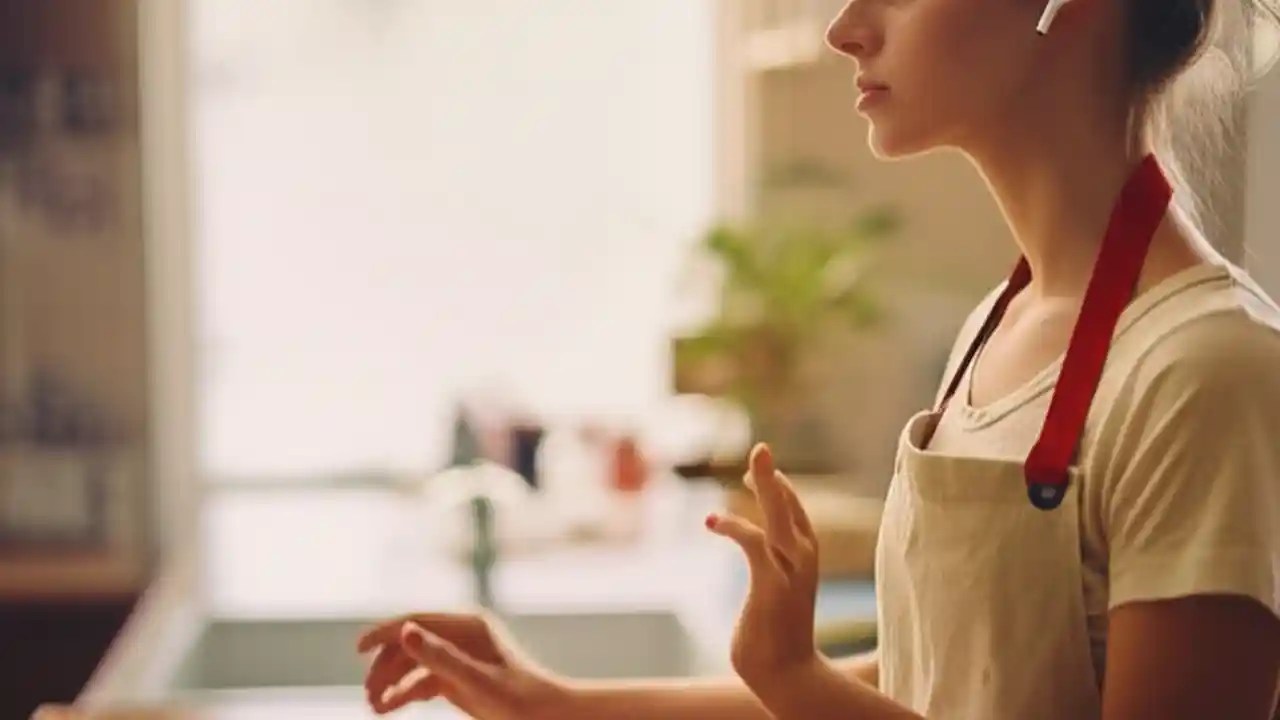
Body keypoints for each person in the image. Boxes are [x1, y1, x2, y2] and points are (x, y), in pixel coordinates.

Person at [356, 0, 1280, 715]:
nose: (844, 27)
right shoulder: (999, 329)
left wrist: (796, 680)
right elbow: (928, 678)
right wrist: (552, 705)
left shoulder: (1205, 374)